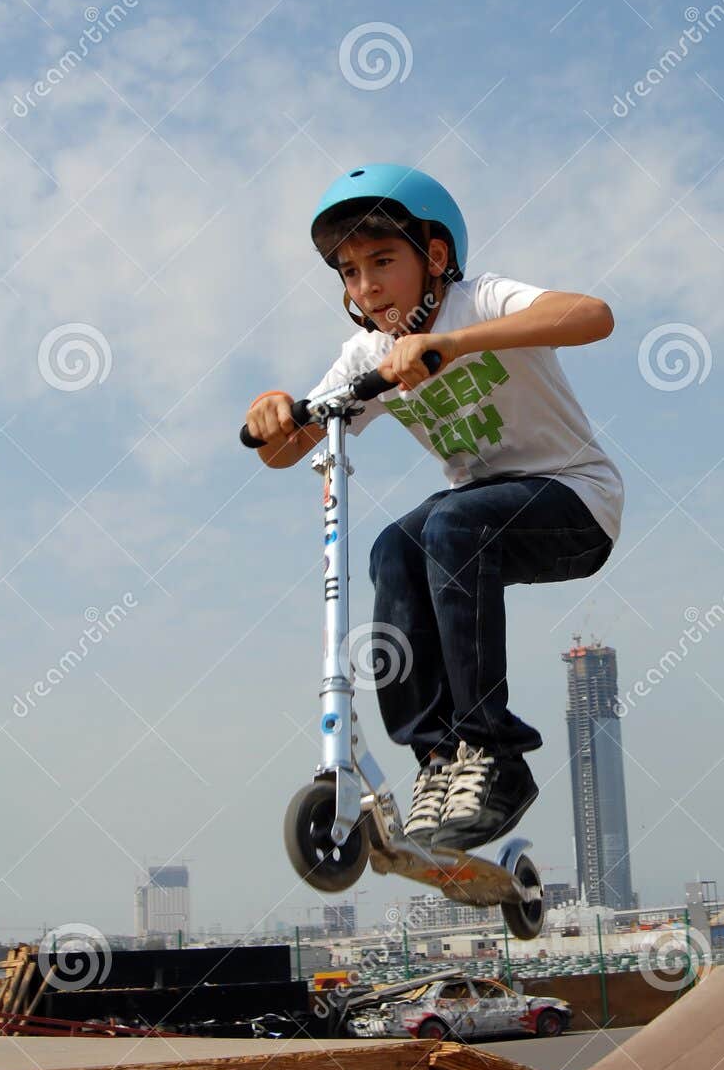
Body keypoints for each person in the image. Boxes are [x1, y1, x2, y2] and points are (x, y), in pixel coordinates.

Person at [244, 164, 623, 852]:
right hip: (479, 518)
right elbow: (286, 449)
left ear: (436, 257)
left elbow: (593, 316)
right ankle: (439, 757)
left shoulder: (478, 301)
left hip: (574, 504)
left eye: (383, 261)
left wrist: (451, 344)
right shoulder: (367, 354)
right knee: (394, 546)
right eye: (351, 273)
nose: (368, 286)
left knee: (451, 520)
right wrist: (274, 414)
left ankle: (493, 753)